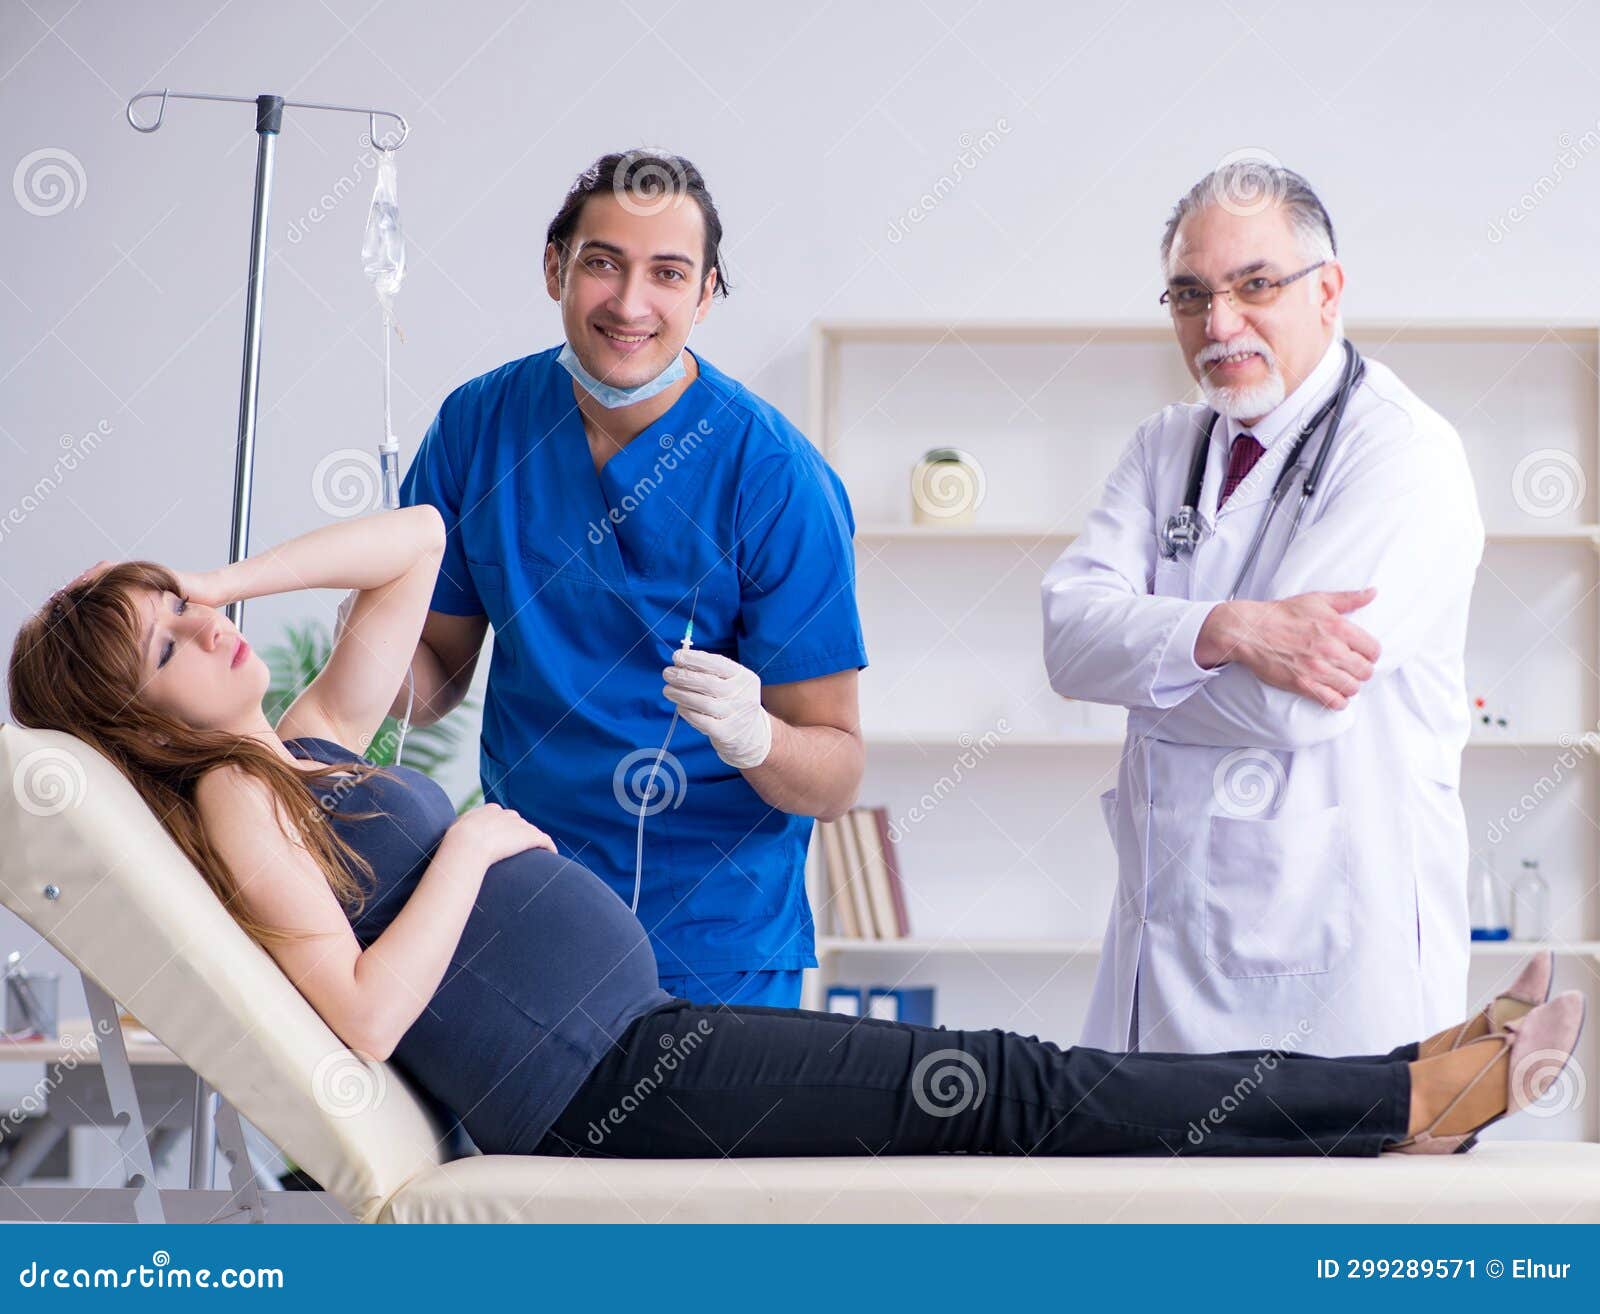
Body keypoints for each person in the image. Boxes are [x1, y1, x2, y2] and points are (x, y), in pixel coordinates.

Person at [9, 510, 1579, 1161]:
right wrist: (478, 848)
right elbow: (356, 1014)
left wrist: (210, 581)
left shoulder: (298, 748)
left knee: (1011, 1083)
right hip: (611, 1089)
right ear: (138, 718)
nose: (209, 631)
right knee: (1014, 1087)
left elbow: (419, 539)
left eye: (193, 612)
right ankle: (1409, 1098)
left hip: (641, 1043)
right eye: (170, 646)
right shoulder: (238, 799)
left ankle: (1411, 1081)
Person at [379, 150, 867, 1011]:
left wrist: (757, 737)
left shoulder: (774, 477)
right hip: (528, 912)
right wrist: (368, 638)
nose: (631, 303)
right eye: (603, 263)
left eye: (667, 274)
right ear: (555, 268)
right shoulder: (479, 427)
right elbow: (434, 679)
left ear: (705, 294)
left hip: (714, 941)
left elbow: (834, 778)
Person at [1042, 162, 1484, 1056]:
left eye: (1255, 285)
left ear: (1328, 291)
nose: (1219, 324)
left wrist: (1141, 665)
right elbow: (1067, 641)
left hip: (1330, 969)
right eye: (1190, 294)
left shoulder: (1403, 454)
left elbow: (1290, 708)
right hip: (1159, 954)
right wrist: (1226, 630)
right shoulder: (1166, 445)